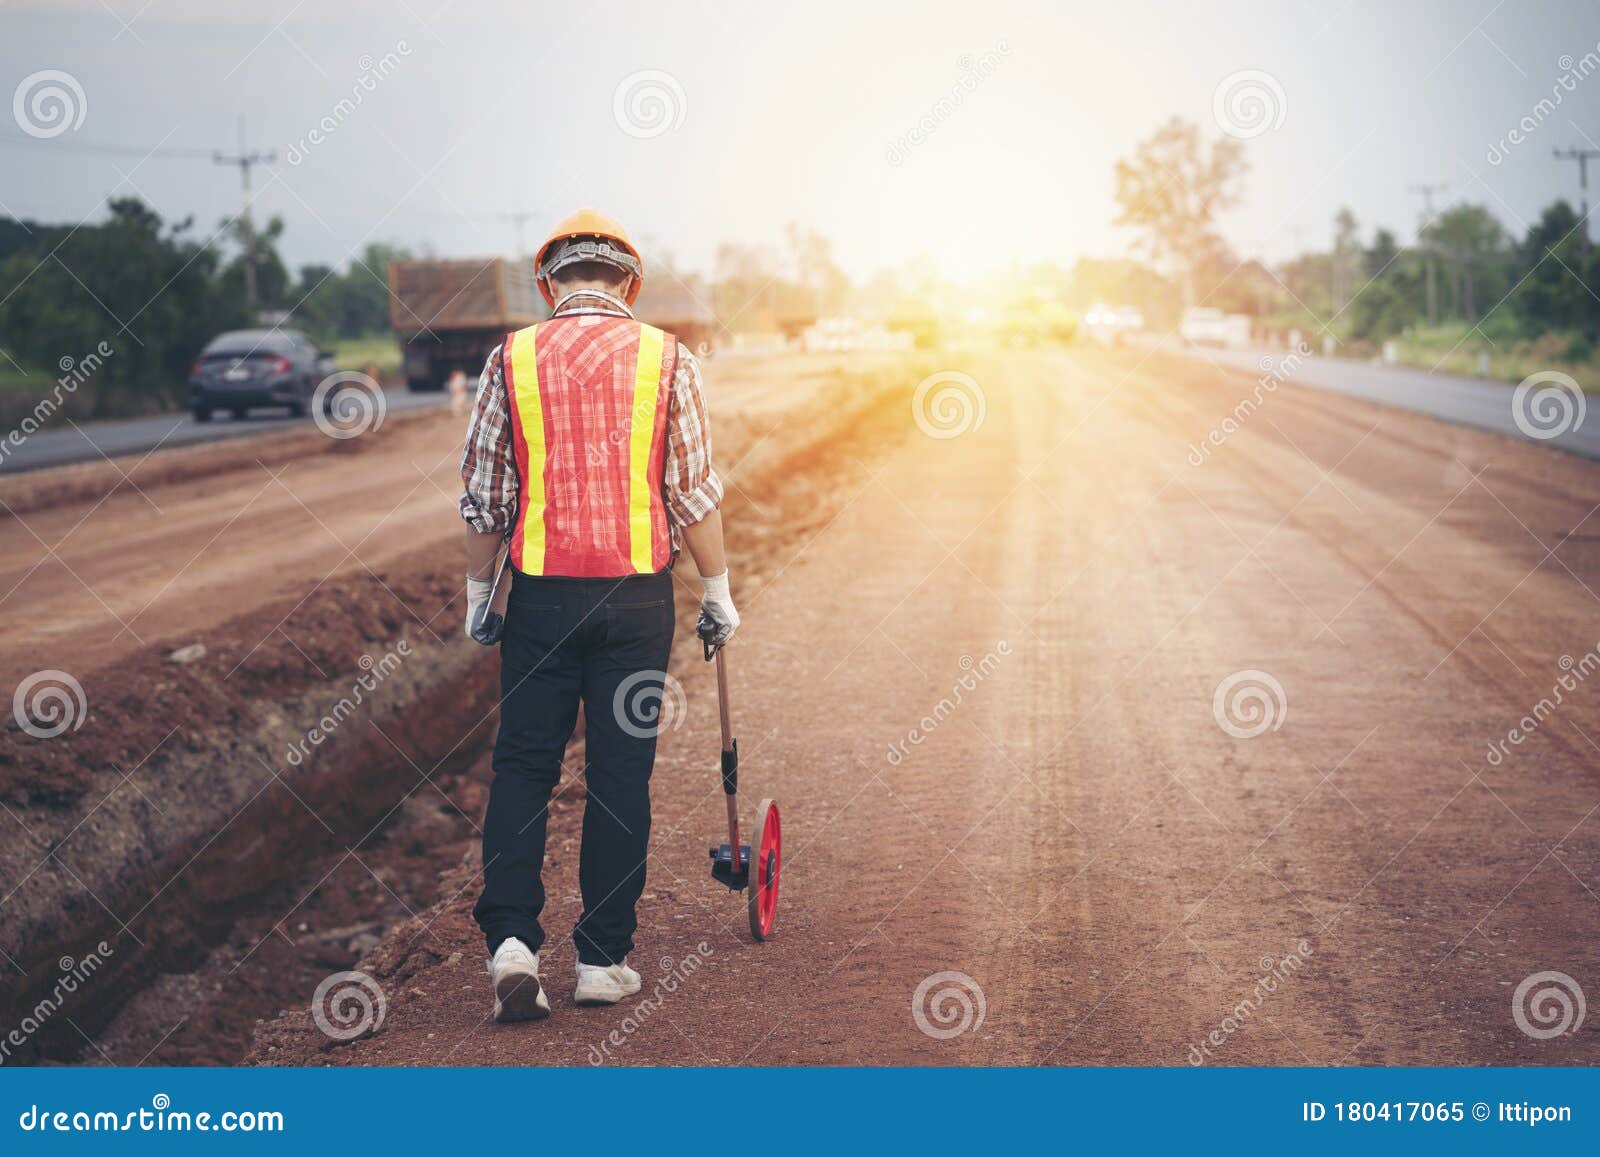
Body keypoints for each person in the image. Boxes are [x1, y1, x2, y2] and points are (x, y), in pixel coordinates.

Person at [457, 208, 740, 1023]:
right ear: (631, 284)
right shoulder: (667, 357)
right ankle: (602, 959)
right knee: (620, 776)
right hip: (636, 602)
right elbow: (691, 491)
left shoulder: (509, 357)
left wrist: (485, 594)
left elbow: (486, 498)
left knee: (524, 769)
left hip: (542, 598)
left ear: (550, 283)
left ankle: (512, 943)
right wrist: (716, 590)